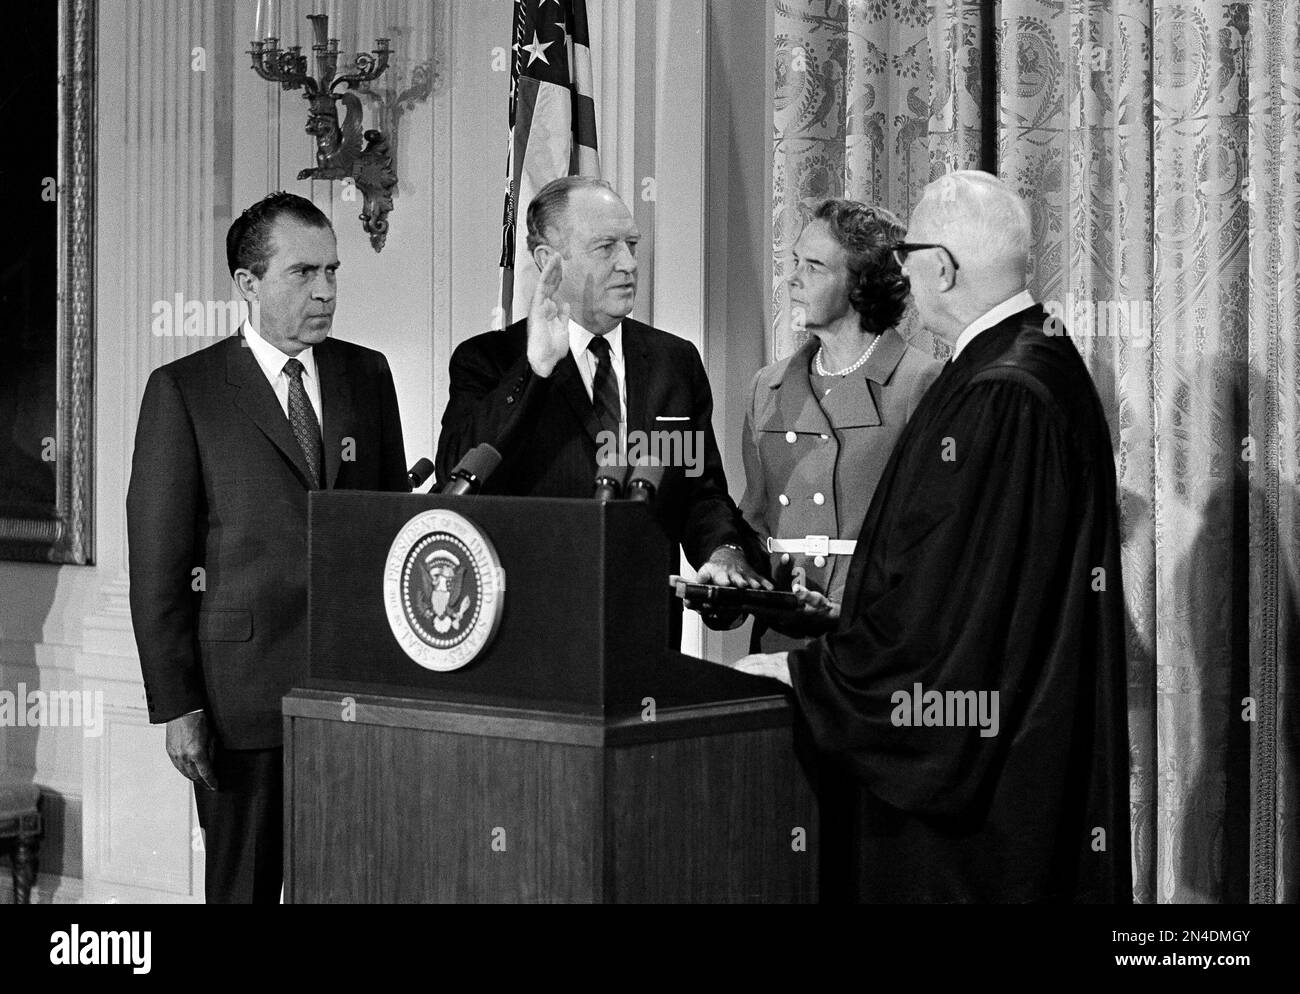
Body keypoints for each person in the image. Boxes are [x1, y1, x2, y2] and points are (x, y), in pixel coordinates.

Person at [725, 171, 1132, 903]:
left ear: (940, 266)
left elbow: (947, 618)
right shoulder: (1030, 360)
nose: (902, 275)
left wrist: (812, 677)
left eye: (910, 255)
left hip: (981, 803)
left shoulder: (1001, 391)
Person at [127, 192, 410, 903]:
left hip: (354, 698)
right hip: (239, 702)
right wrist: (177, 706)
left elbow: (391, 532)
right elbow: (157, 566)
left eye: (334, 272)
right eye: (304, 273)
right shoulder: (185, 391)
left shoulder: (367, 375)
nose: (326, 291)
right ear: (248, 284)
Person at [436, 176, 766, 609]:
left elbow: (697, 489)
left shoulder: (674, 361)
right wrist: (535, 368)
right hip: (531, 617)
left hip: (643, 622)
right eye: (606, 247)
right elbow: (456, 473)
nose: (628, 263)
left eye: (632, 244)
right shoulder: (489, 361)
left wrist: (726, 552)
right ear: (548, 260)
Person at [734, 200, 941, 652]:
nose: (792, 279)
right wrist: (730, 576)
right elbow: (754, 520)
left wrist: (842, 608)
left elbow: (935, 542)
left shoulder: (919, 382)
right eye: (794, 263)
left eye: (814, 267)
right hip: (781, 640)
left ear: (861, 284)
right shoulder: (767, 387)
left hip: (875, 642)